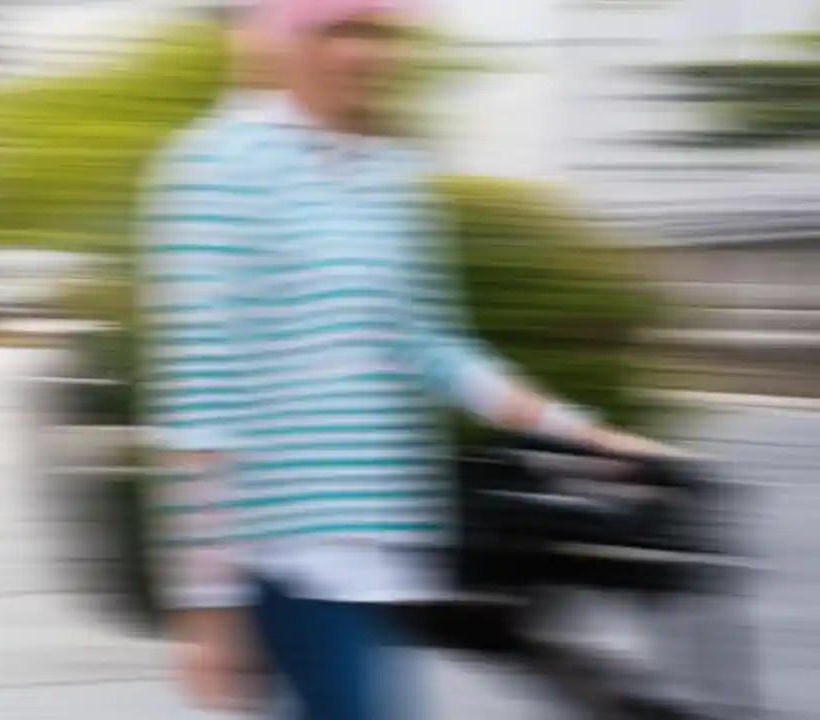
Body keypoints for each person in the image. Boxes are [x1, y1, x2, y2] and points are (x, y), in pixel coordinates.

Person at [140, 1, 674, 717]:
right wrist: (202, 603)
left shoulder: (390, 174)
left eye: (377, 31)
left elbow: (434, 348)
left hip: (380, 541)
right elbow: (201, 394)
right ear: (284, 41)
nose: (364, 52)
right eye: (336, 30)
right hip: (284, 549)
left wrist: (580, 432)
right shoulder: (215, 167)